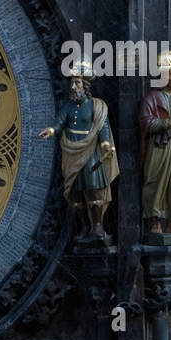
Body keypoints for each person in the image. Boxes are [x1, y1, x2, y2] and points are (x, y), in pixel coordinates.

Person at [39, 61, 119, 238]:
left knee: (93, 188)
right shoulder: (68, 107)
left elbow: (103, 127)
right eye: (72, 82)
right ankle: (84, 225)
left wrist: (105, 143)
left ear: (86, 86)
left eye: (77, 83)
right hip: (71, 151)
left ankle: (97, 225)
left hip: (90, 151)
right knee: (76, 191)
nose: (73, 87)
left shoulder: (95, 106)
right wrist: (51, 130)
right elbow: (59, 122)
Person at [139, 50, 171, 235]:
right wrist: (167, 123)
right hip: (158, 149)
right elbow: (145, 121)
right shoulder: (151, 98)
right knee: (155, 183)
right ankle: (154, 221)